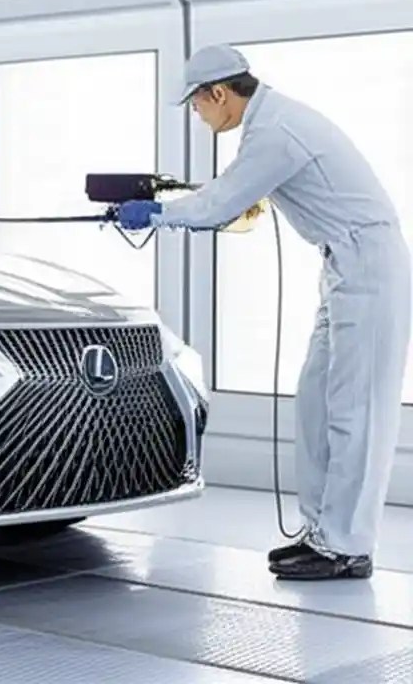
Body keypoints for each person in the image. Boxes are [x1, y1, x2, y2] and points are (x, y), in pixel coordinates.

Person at [118, 44, 411, 580]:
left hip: (368, 267)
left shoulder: (275, 131)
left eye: (197, 104)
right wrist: (184, 205)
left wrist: (155, 213)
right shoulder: (269, 125)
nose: (197, 115)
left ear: (220, 93)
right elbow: (233, 196)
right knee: (317, 404)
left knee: (356, 411)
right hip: (343, 266)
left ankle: (347, 547)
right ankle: (322, 533)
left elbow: (217, 204)